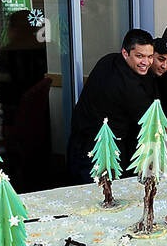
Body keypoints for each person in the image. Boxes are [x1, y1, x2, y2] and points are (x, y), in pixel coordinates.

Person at [67, 29, 160, 184]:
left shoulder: (109, 60)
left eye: (150, 56)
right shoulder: (127, 85)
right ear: (125, 53)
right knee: (99, 196)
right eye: (139, 56)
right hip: (96, 150)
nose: (146, 62)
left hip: (93, 141)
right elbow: (155, 121)